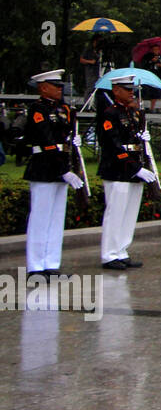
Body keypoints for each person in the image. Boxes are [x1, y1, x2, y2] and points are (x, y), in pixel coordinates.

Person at [23, 69, 82, 276]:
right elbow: (47, 143)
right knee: (40, 218)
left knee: (57, 218)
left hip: (60, 167)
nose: (59, 89)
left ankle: (51, 263)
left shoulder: (63, 109)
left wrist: (74, 140)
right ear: (43, 87)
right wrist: (64, 170)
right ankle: (36, 266)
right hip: (44, 167)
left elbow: (63, 137)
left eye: (60, 86)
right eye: (55, 86)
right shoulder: (37, 109)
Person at [98, 75, 152, 269]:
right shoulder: (110, 114)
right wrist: (136, 168)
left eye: (131, 89)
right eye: (126, 88)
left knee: (129, 214)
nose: (131, 92)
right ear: (116, 91)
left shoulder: (133, 113)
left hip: (133, 169)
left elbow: (134, 142)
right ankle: (109, 254)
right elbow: (113, 145)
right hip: (117, 169)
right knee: (116, 213)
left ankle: (121, 250)